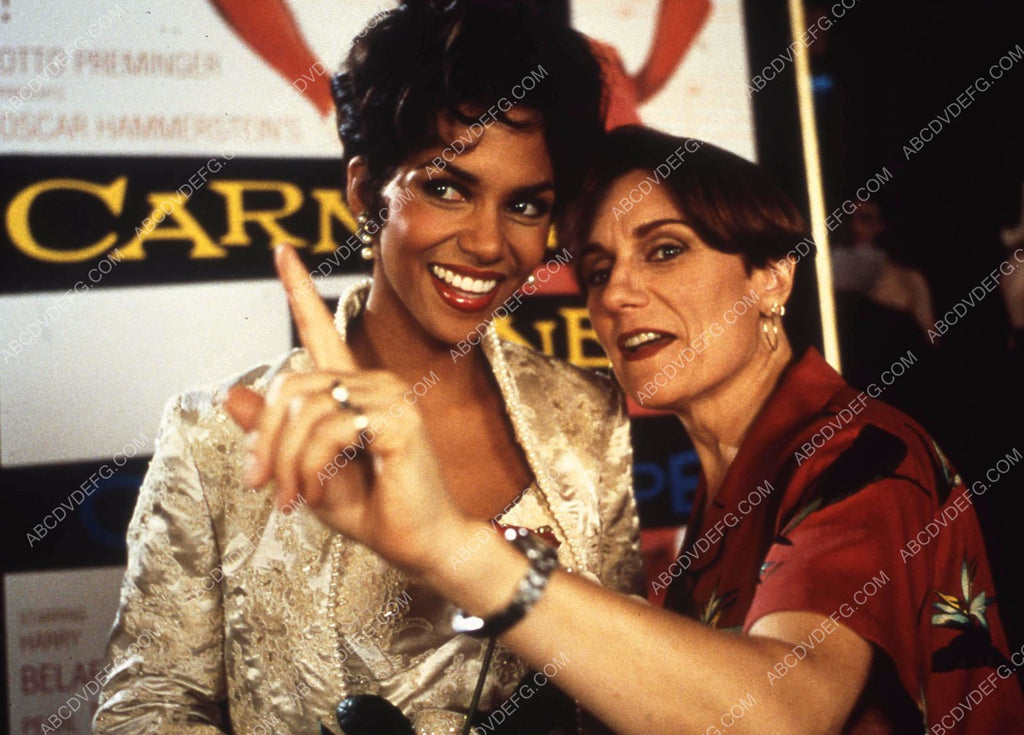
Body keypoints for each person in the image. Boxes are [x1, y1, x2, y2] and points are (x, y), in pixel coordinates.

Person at [235, 126, 1024, 734]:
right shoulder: (721, 499)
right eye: (601, 268)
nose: (618, 296)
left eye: (666, 250)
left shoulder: (862, 454)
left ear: (772, 276)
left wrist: (456, 549)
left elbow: (779, 712)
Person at [94, 4, 643, 733]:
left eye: (524, 204)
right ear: (365, 194)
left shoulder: (587, 413)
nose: (487, 243)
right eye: (446, 187)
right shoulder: (214, 437)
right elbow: (146, 709)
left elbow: (630, 680)